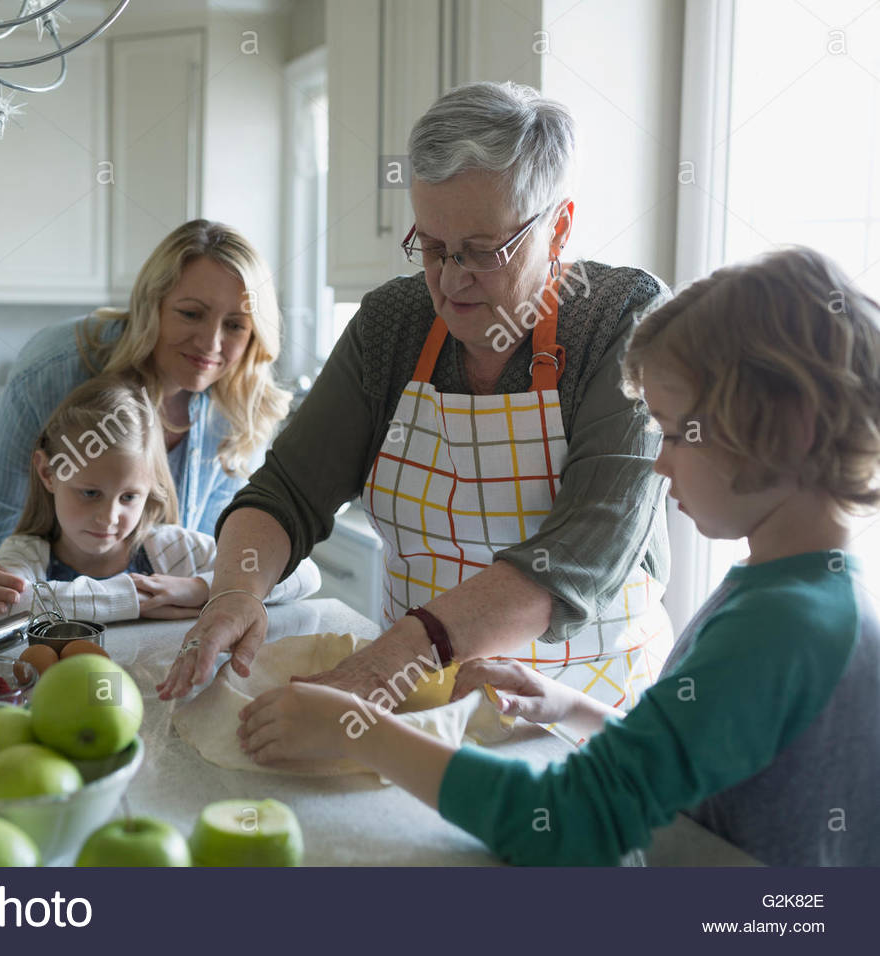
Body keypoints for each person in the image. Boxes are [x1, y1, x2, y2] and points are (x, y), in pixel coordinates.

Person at [237, 247, 880, 866]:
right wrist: (568, 707)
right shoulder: (805, 592)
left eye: (681, 433)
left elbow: (571, 824)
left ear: (787, 430)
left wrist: (361, 731)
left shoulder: (779, 627)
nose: (659, 462)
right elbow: (695, 760)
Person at [160, 82, 674, 742]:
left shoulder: (624, 319)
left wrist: (388, 662)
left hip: (581, 711)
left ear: (560, 225)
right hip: (415, 706)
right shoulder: (393, 325)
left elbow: (580, 554)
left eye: (483, 251)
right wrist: (235, 591)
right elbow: (287, 491)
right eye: (432, 247)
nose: (452, 279)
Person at [0, 220, 291, 622]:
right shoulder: (53, 371)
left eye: (235, 325)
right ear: (150, 306)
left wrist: (204, 588)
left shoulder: (241, 405)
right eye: (191, 313)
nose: (211, 344)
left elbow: (238, 565)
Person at [0, 377, 319, 622]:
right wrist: (136, 599)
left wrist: (199, 590)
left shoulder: (170, 550)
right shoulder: (25, 554)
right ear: (48, 473)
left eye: (129, 497)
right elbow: (12, 604)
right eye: (90, 493)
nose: (109, 517)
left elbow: (303, 573)